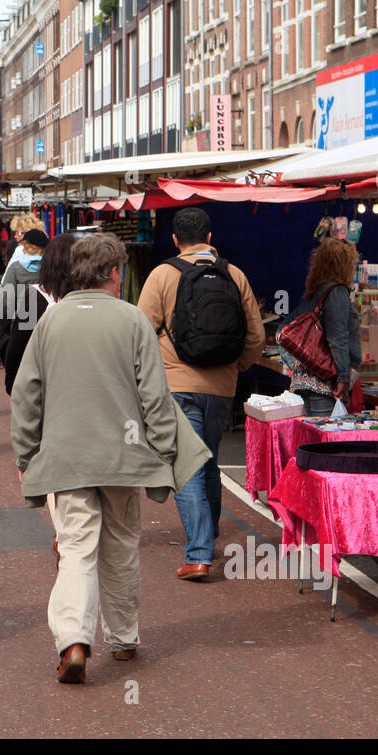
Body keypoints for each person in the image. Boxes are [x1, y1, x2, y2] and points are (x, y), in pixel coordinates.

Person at [10, 234, 207, 684]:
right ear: (115, 271)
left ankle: (75, 641)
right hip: (123, 455)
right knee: (120, 547)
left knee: (77, 548)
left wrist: (27, 452)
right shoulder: (133, 320)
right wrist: (163, 450)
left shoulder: (51, 321)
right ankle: (122, 638)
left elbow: (27, 396)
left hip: (66, 457)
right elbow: (154, 396)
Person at [137, 207, 265, 581]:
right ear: (210, 238)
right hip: (221, 388)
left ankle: (199, 553)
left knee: (185, 465)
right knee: (207, 460)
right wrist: (237, 367)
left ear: (175, 240)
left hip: (177, 385)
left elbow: (142, 333)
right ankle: (208, 533)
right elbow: (256, 336)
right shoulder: (234, 274)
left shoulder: (162, 275)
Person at [282, 238, 361, 417]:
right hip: (325, 386)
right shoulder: (337, 292)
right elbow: (338, 338)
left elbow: (285, 332)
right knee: (325, 441)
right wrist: (342, 378)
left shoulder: (313, 293)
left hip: (301, 384)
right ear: (344, 265)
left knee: (309, 441)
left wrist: (299, 367)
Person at [3, 231, 75, 395]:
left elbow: (17, 347)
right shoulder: (89, 297)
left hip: (44, 386)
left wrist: (13, 385)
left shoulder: (35, 296)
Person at [0, 215, 46, 365]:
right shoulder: (52, 265)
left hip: (22, 320)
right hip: (47, 322)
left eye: (19, 233)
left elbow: (6, 300)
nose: (16, 236)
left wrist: (3, 327)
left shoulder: (18, 263)